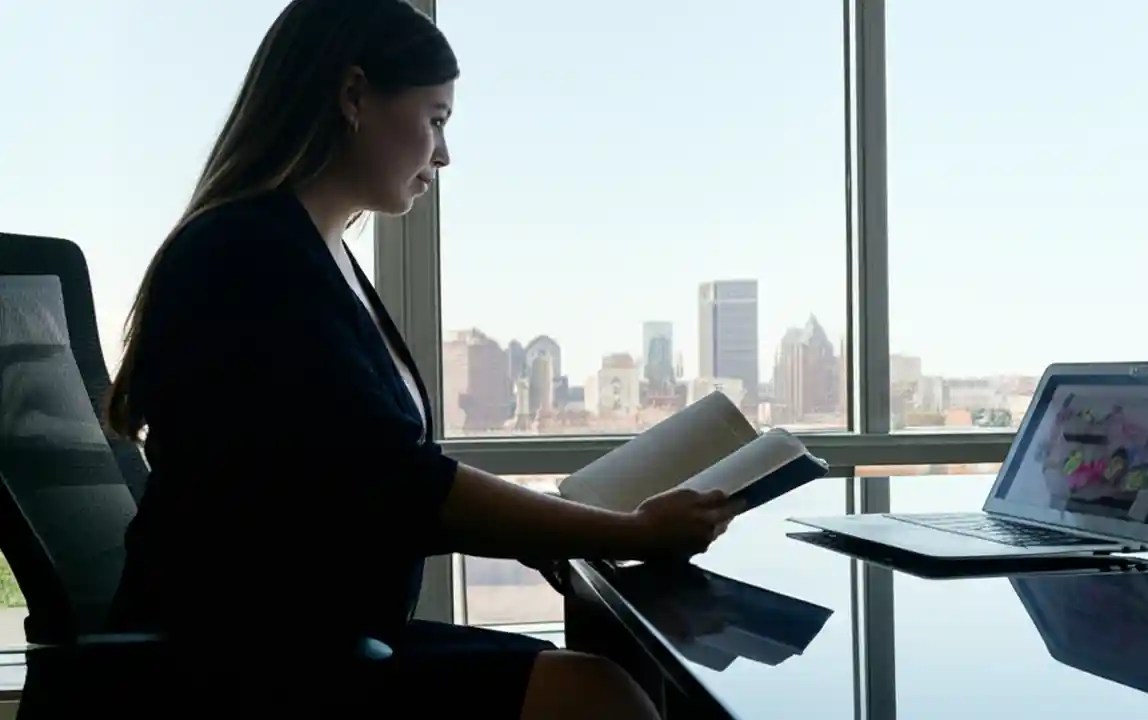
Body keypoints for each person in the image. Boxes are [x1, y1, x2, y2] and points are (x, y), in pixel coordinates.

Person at [101, 0, 741, 716]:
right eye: (435, 119)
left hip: (311, 640)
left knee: (608, 675)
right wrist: (628, 532)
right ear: (353, 97)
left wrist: (540, 530)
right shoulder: (252, 255)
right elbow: (394, 484)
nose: (443, 154)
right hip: (238, 665)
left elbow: (361, 474)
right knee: (598, 695)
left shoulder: (308, 251)